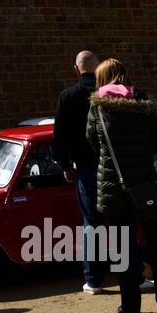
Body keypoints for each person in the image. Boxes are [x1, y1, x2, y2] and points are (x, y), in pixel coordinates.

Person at [84, 59, 157, 313]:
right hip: (145, 182)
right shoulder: (143, 102)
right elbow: (154, 143)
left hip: (113, 183)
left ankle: (130, 304)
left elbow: (92, 142)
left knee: (122, 248)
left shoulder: (98, 107)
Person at [53, 50, 105, 294]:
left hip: (85, 165)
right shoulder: (110, 93)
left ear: (76, 69)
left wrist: (64, 165)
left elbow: (60, 136)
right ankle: (128, 271)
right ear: (98, 67)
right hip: (112, 165)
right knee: (120, 219)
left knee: (91, 223)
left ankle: (93, 279)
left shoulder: (68, 96)